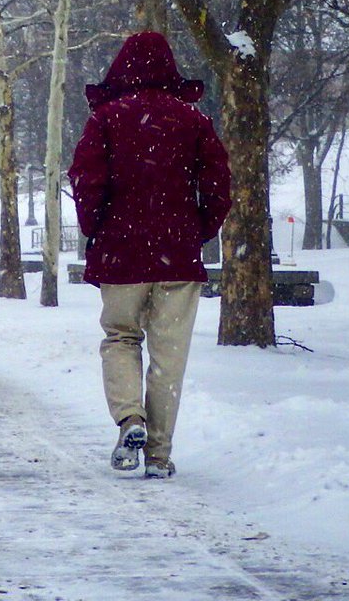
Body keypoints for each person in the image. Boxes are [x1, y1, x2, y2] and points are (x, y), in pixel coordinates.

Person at [69, 30, 232, 480]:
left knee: (121, 337)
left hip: (122, 255)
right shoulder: (192, 120)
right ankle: (159, 456)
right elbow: (219, 184)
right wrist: (199, 229)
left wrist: (97, 229)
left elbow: (86, 180)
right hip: (177, 255)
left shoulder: (106, 118)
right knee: (169, 355)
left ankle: (130, 419)